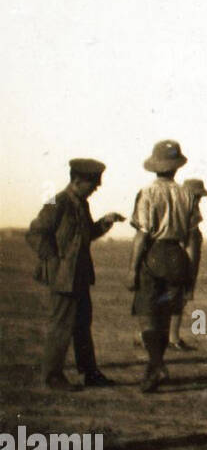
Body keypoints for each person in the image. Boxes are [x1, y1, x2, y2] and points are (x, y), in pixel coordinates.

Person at [25, 159, 127, 390]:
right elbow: (35, 233)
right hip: (63, 277)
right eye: (93, 184)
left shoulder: (81, 204)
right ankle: (52, 376)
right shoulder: (57, 202)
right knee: (60, 326)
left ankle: (90, 373)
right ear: (78, 181)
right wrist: (53, 261)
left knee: (82, 324)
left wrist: (105, 222)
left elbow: (86, 234)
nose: (96, 188)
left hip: (78, 276)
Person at [127, 140, 194, 393]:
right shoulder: (187, 193)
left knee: (147, 313)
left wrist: (132, 269)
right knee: (165, 316)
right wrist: (190, 273)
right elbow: (192, 236)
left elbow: (142, 233)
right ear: (176, 167)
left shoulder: (148, 193)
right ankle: (154, 369)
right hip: (177, 255)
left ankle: (156, 365)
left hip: (154, 253)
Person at [168, 178, 207, 350]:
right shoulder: (190, 214)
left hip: (174, 258)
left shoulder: (176, 209)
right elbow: (191, 246)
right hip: (185, 260)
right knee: (179, 298)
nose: (199, 200)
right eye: (198, 197)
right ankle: (173, 338)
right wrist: (191, 271)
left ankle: (165, 336)